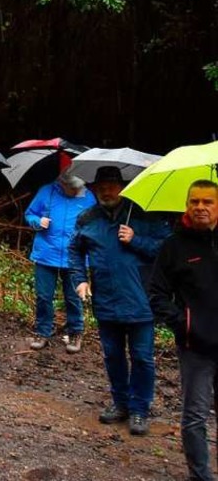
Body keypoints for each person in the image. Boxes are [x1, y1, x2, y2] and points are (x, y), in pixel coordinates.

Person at [68, 165, 167, 435]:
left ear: (123, 186)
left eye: (112, 185)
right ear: (94, 189)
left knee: (143, 358)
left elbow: (166, 249)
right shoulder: (87, 218)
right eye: (101, 186)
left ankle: (139, 410)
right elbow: (75, 251)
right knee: (113, 356)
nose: (106, 190)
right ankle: (120, 403)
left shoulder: (144, 216)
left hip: (140, 302)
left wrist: (136, 240)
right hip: (106, 301)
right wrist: (80, 279)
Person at [149, 179, 218, 480]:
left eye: (208, 202)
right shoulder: (174, 246)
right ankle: (200, 476)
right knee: (195, 418)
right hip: (196, 348)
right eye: (195, 201)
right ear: (187, 204)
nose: (200, 207)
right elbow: (157, 294)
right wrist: (184, 325)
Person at [25, 171, 95, 352]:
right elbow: (30, 214)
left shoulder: (89, 198)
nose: (76, 191)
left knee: (73, 298)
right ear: (62, 184)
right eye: (72, 188)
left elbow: (97, 225)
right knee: (43, 297)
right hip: (46, 254)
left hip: (75, 257)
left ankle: (75, 333)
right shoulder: (46, 192)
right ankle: (42, 332)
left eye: (78, 188)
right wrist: (37, 221)